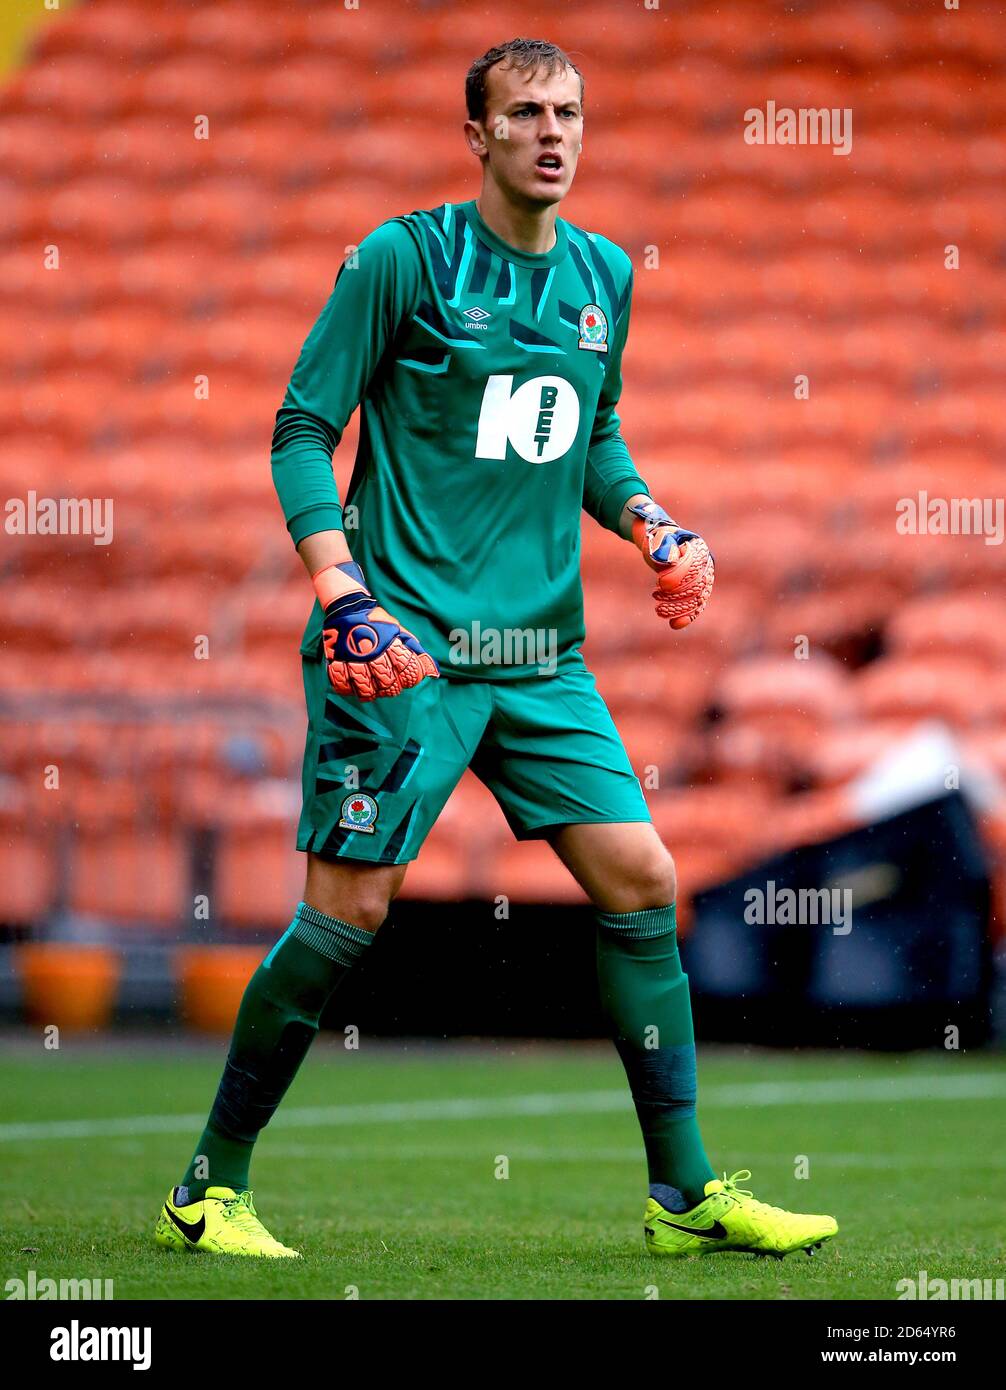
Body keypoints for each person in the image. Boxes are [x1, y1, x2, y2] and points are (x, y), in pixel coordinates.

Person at [154, 37, 837, 1262]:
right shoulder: (403, 259)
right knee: (346, 911)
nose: (551, 133)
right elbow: (303, 428)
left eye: (568, 111)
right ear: (477, 136)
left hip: (539, 654)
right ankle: (210, 1186)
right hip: (400, 646)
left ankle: (682, 1193)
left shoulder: (604, 276)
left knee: (641, 877)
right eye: (523, 113)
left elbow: (592, 434)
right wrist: (340, 591)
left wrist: (650, 522)